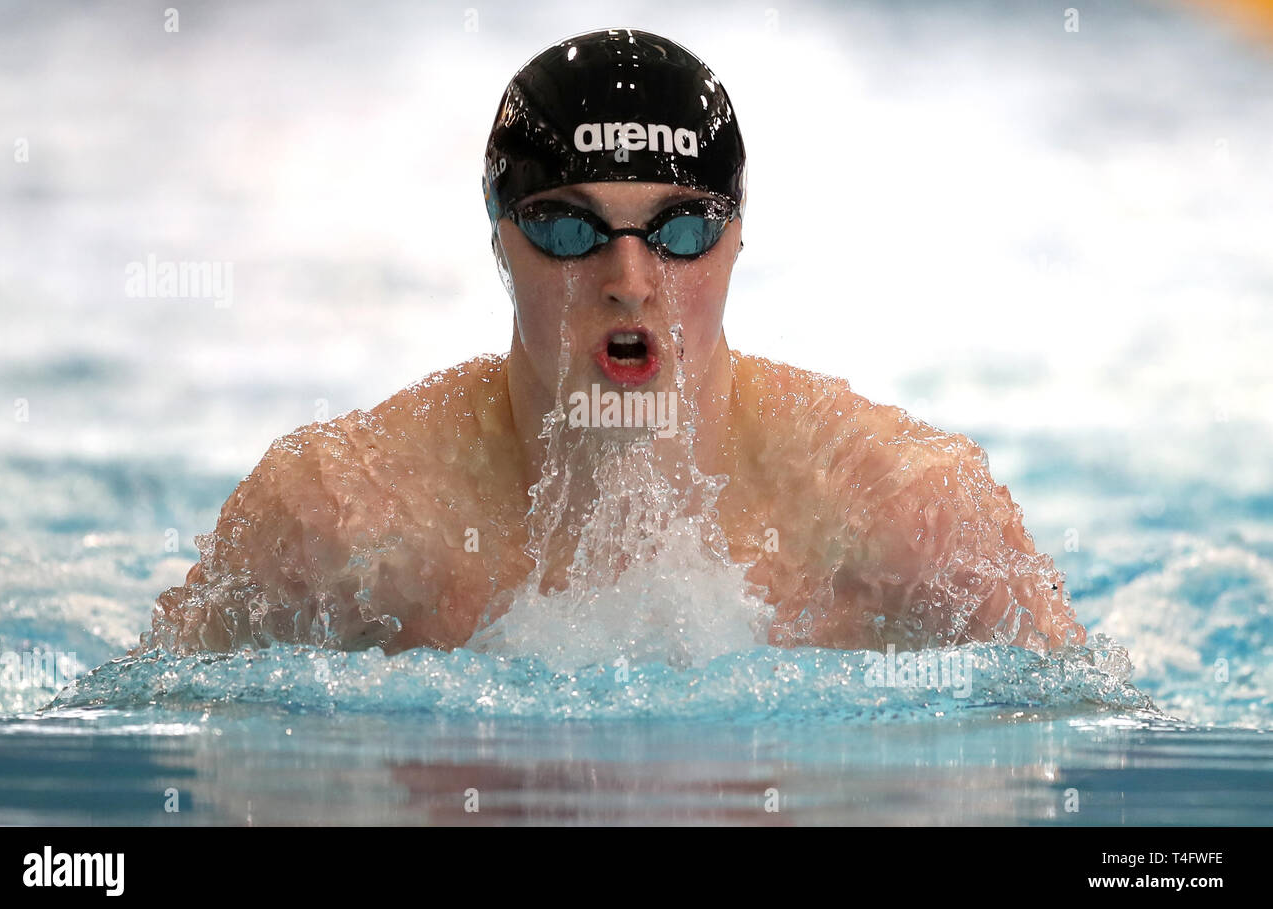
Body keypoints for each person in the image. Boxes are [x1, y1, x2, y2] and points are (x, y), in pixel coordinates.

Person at [143, 27, 1085, 658]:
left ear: (739, 228)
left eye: (679, 229)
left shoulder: (904, 518)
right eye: (567, 227)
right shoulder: (338, 522)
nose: (630, 281)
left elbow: (1097, 743)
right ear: (499, 227)